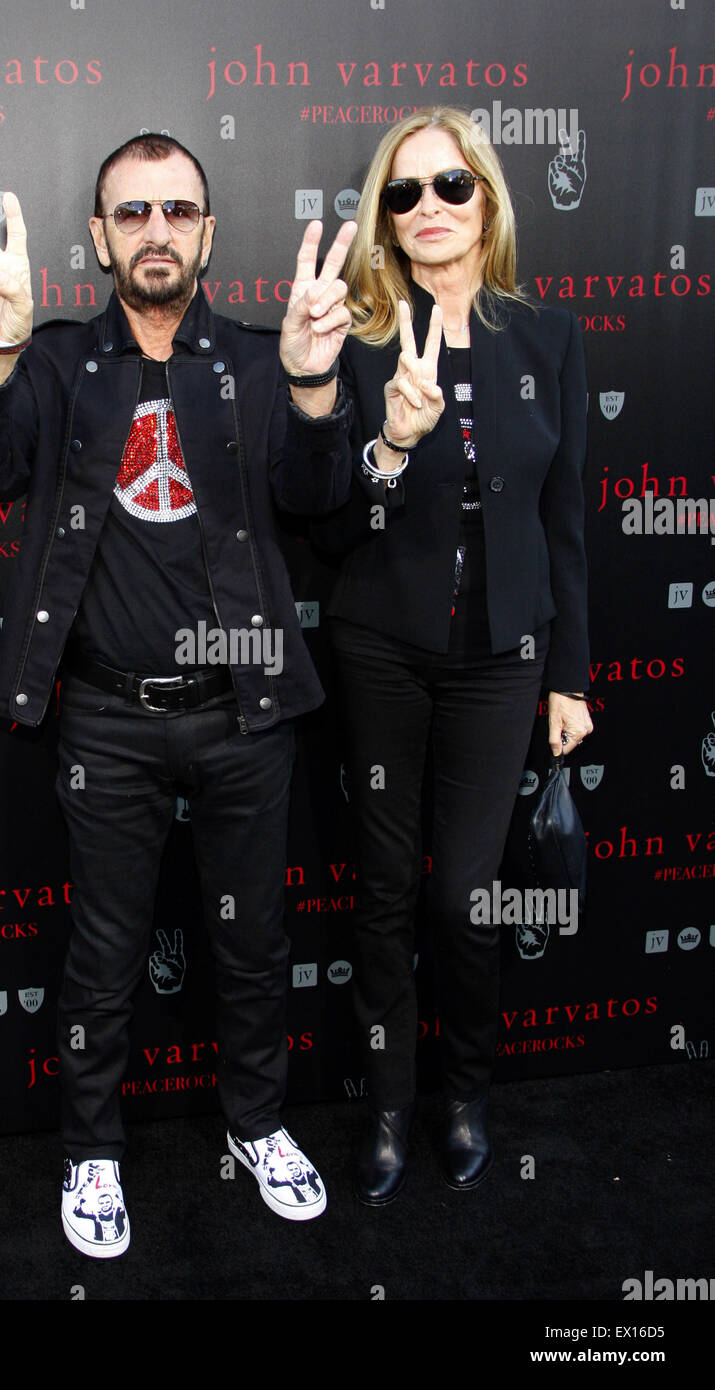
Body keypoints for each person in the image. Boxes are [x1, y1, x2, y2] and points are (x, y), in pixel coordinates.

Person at [0, 134, 356, 1257]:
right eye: (133, 213)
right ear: (100, 237)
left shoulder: (270, 360)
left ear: (209, 233)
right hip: (107, 718)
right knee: (103, 950)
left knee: (256, 943)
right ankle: (91, 1152)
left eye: (178, 210)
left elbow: (325, 507)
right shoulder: (55, 362)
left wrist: (317, 382)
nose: (157, 229)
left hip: (244, 709)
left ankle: (259, 1125)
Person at [313, 106, 593, 1202]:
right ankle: (387, 1110)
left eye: (448, 186)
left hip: (502, 659)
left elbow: (564, 516)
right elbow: (324, 527)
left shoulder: (548, 338)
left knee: (462, 899)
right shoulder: (350, 334)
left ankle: (464, 1094)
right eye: (402, 192)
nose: (426, 208)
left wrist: (569, 672)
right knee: (385, 890)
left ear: (485, 198)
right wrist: (389, 444)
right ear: (381, 216)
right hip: (380, 646)